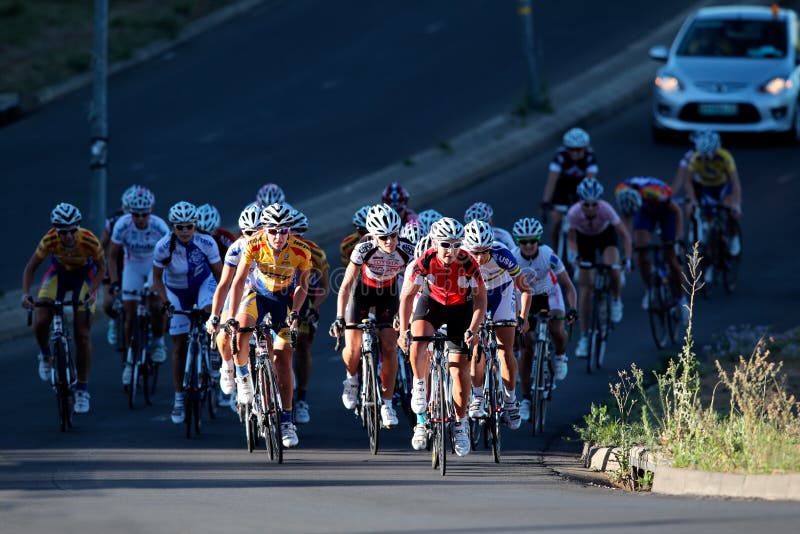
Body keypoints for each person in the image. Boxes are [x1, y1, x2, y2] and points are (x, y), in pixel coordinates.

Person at [397, 217, 486, 457]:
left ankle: (460, 423)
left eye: (456, 244)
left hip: (461, 308)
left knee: (459, 369)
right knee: (418, 340)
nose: (451, 250)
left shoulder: (468, 263)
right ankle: (419, 386)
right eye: (446, 244)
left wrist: (474, 329)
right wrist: (404, 331)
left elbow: (480, 301)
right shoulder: (424, 261)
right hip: (432, 304)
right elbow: (406, 298)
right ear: (435, 243)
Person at [226, 203, 311, 449]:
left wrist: (295, 312)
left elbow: (302, 286)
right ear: (264, 229)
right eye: (272, 230)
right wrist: (231, 315)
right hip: (258, 297)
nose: (278, 236)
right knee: (241, 331)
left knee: (284, 358)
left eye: (283, 231)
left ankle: (286, 421)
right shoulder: (253, 244)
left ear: (290, 231)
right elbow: (239, 279)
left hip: (283, 301)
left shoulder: (301, 250)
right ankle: (243, 379)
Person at [331, 204, 415, 428]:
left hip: (387, 294)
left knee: (389, 346)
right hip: (362, 293)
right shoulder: (363, 247)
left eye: (394, 235)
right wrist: (340, 317)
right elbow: (347, 284)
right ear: (373, 236)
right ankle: (352, 379)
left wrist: (406, 316)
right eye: (384, 237)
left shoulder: (407, 249)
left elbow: (416, 285)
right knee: (354, 345)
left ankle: (387, 404)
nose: (390, 241)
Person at [21, 203, 106, 414]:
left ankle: (82, 388)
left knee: (82, 334)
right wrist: (25, 295)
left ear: (77, 228)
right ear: (56, 230)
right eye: (62, 231)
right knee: (41, 319)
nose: (67, 236)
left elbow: (102, 267)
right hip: (58, 275)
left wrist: (92, 291)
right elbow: (31, 267)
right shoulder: (49, 239)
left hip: (84, 276)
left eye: (71, 231)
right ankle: (45, 354)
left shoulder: (89, 240)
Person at [152, 201, 222, 425]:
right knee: (179, 345)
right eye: (179, 227)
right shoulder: (163, 247)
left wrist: (225, 303)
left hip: (202, 285)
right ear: (173, 227)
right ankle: (179, 397)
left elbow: (222, 277)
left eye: (188, 226)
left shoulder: (206, 242)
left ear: (195, 225)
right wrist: (165, 303)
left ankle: (213, 351)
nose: (184, 231)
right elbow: (156, 279)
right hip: (175, 290)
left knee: (210, 310)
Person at [461, 220, 532, 430]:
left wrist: (523, 316)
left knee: (505, 350)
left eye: (484, 252)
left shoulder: (503, 255)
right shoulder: (461, 256)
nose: (480, 258)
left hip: (501, 293)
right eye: (475, 252)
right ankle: (478, 397)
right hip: (475, 296)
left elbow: (525, 289)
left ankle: (510, 400)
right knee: (476, 348)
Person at [511, 217, 577, 420]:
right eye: (524, 242)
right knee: (526, 346)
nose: (529, 245)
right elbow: (507, 290)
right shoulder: (513, 257)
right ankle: (526, 398)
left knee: (557, 328)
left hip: (550, 294)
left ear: (538, 241)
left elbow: (568, 285)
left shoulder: (549, 255)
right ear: (518, 243)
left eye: (533, 241)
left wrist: (573, 308)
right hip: (526, 297)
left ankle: (559, 355)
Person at [107, 186, 170, 385]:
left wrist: (160, 283)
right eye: (136, 214)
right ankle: (129, 362)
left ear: (150, 212)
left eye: (144, 214)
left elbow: (169, 257)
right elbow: (112, 256)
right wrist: (115, 282)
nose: (140, 218)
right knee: (129, 314)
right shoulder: (122, 225)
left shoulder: (160, 226)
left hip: (154, 265)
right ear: (130, 212)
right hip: (132, 266)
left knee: (156, 304)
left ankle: (159, 342)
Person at [566, 178, 631, 358]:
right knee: (585, 289)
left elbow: (625, 235)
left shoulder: (606, 210)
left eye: (594, 204)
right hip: (584, 239)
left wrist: (627, 259)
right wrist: (574, 256)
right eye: (586, 205)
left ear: (599, 202)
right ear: (581, 202)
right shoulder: (573, 214)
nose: (591, 208)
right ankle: (585, 337)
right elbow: (571, 239)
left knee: (613, 267)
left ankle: (617, 300)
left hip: (605, 237)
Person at [206, 203, 262, 407]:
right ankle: (229, 367)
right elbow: (224, 284)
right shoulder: (237, 247)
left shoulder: (274, 246)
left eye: (257, 231)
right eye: (248, 233)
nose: (252, 237)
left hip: (264, 294)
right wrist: (214, 314)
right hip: (241, 292)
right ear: (241, 232)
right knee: (224, 333)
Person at [615, 178, 685, 316]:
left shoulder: (657, 193)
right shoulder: (621, 190)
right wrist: (629, 247)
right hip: (645, 211)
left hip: (666, 211)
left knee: (671, 258)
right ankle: (650, 288)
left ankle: (683, 299)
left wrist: (678, 239)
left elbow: (677, 212)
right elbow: (627, 220)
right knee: (641, 251)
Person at [288, 209, 330, 425]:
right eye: (292, 233)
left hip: (307, 300)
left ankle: (302, 398)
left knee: (303, 346)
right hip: (281, 296)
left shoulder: (315, 252)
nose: (296, 238)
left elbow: (324, 287)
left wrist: (314, 309)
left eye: (300, 233)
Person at [684, 130, 743, 279]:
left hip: (723, 187)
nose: (705, 160)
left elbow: (735, 183)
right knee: (709, 225)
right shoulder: (696, 158)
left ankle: (734, 236)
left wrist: (736, 203)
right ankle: (710, 258)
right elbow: (688, 182)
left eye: (708, 156)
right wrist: (692, 200)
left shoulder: (725, 157)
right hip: (708, 189)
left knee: (729, 209)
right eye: (703, 156)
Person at [541, 127, 599, 247]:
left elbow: (589, 182)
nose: (574, 153)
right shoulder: (560, 156)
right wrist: (546, 201)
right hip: (562, 186)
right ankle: (556, 251)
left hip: (580, 187)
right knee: (556, 221)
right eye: (571, 149)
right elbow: (552, 180)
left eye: (578, 150)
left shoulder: (590, 157)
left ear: (585, 148)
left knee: (581, 220)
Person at [101, 185, 136, 347]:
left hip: (136, 263)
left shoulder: (146, 220)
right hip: (116, 262)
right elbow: (102, 246)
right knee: (108, 303)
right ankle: (114, 321)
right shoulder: (114, 220)